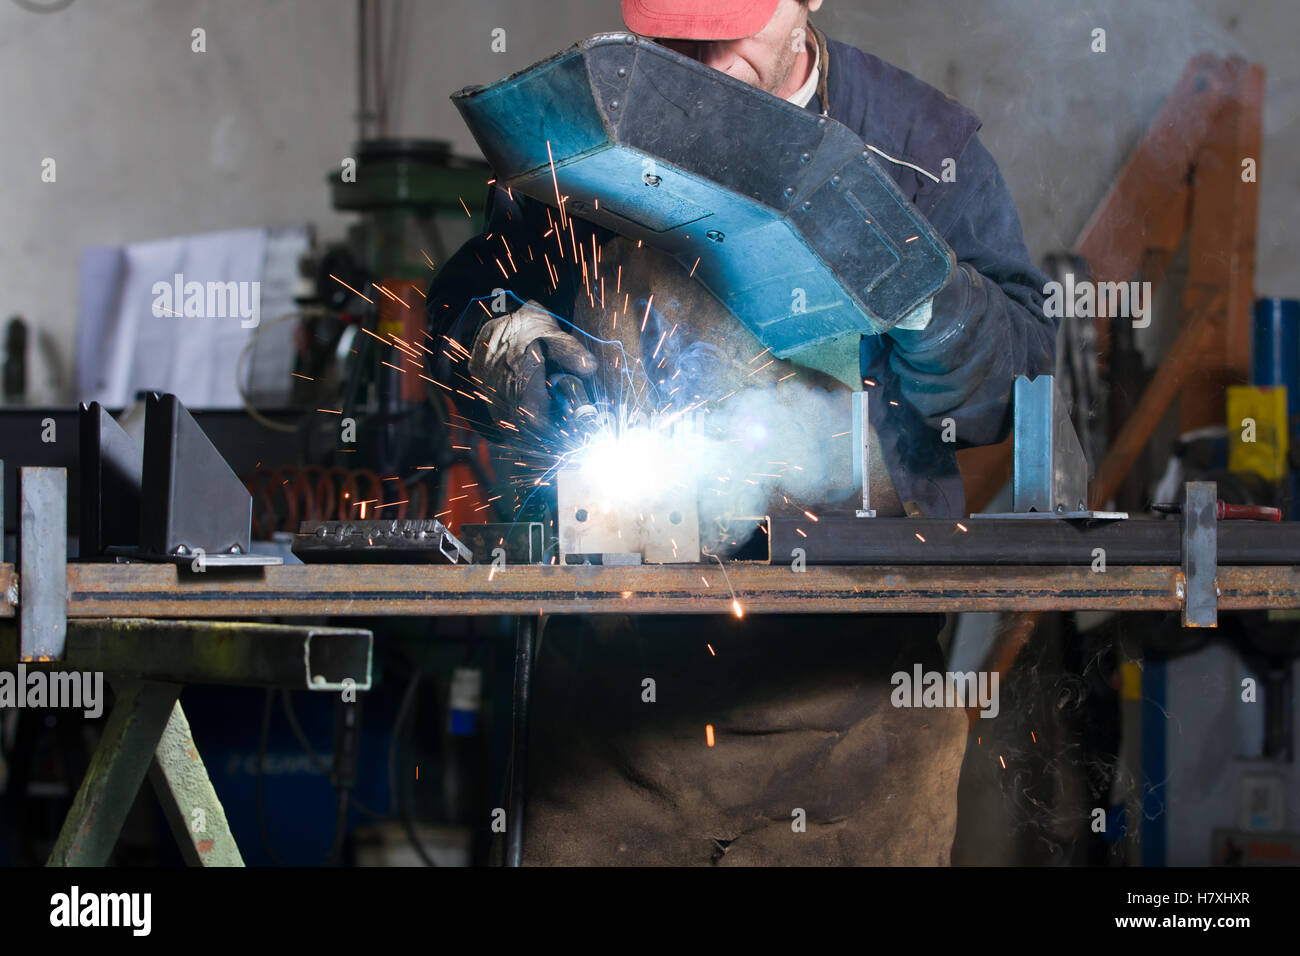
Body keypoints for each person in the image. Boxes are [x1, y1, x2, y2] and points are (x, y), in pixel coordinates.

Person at [425, 0, 1056, 865]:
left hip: (859, 725)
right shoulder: (595, 125)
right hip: (614, 727)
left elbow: (1013, 386)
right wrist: (496, 329)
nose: (705, 60)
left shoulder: (920, 148)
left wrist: (929, 300)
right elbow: (474, 286)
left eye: (732, 25)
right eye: (676, 33)